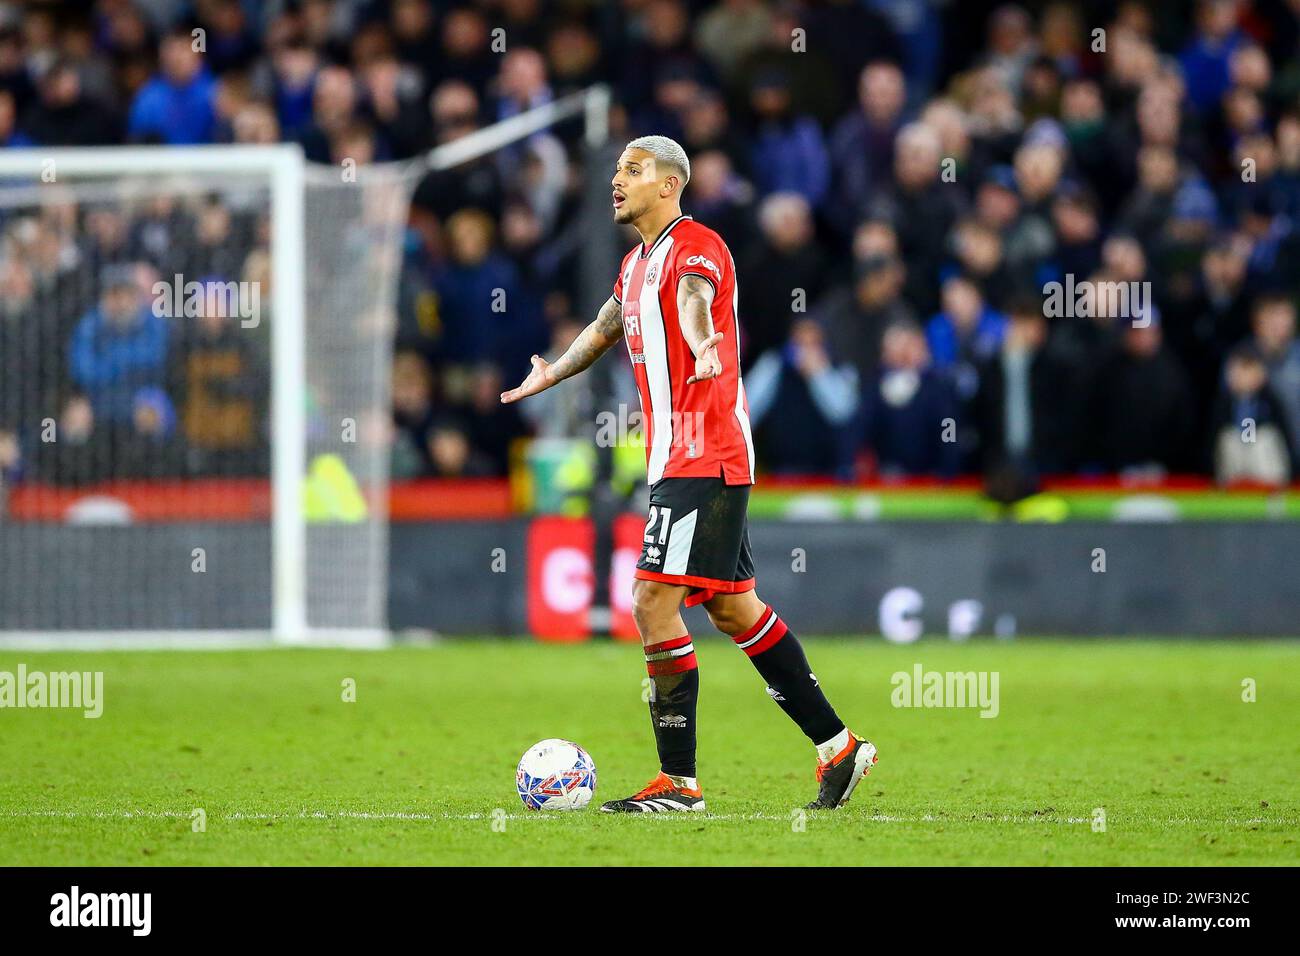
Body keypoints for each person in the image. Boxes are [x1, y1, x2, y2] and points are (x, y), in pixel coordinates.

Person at [501, 135, 877, 812]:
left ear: (669, 184)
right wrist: (552, 373)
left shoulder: (697, 246)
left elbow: (698, 304)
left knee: (650, 602)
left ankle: (679, 784)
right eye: (616, 170)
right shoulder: (634, 265)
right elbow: (606, 326)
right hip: (683, 456)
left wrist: (706, 344)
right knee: (734, 607)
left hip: (704, 451)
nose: (617, 180)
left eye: (633, 170)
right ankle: (840, 748)